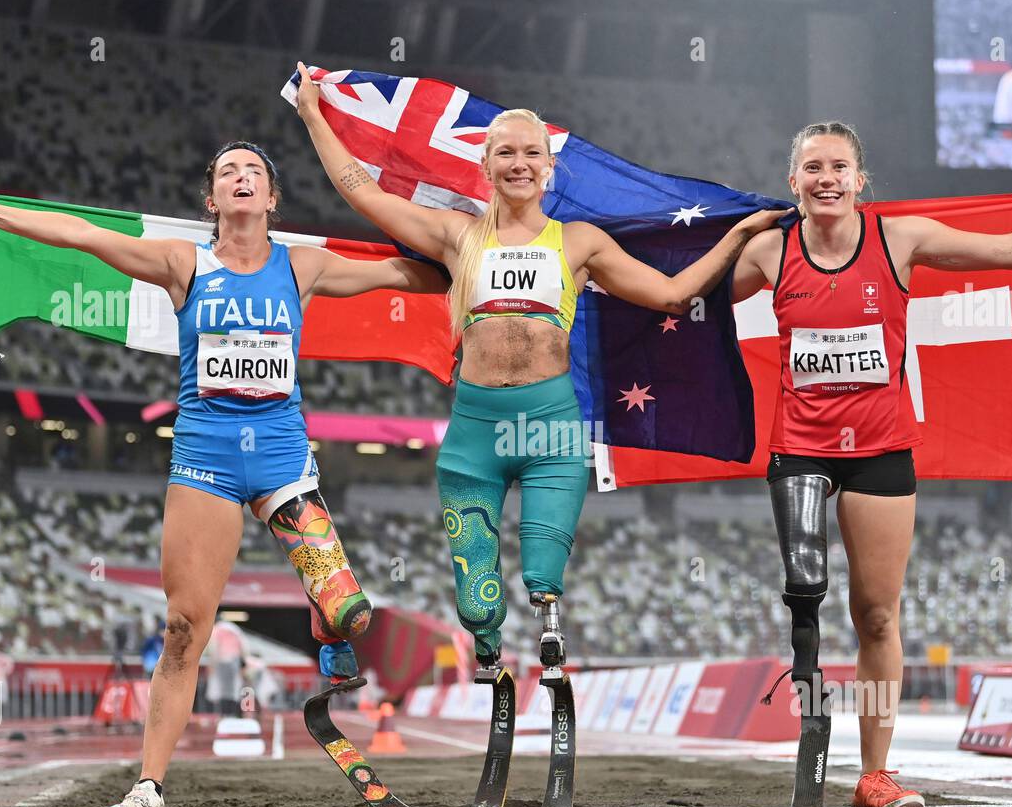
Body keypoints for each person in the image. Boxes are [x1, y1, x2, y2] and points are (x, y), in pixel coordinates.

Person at [0, 141, 450, 807]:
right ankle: (149, 789)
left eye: (255, 173)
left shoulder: (303, 266)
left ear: (272, 200)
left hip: (280, 457)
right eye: (228, 173)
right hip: (206, 458)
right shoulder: (184, 263)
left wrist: (473, 252)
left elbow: (404, 275)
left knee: (350, 609)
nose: (242, 179)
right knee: (184, 630)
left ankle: (326, 622)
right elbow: (85, 236)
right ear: (211, 200)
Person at [294, 62, 786, 678]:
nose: (520, 162)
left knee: (544, 570)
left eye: (532, 152)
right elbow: (362, 192)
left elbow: (670, 294)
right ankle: (490, 641)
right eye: (506, 152)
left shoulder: (580, 242)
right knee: (477, 598)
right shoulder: (456, 235)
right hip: (475, 428)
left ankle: (550, 621)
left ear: (550, 167)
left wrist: (738, 233)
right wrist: (314, 113)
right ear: (486, 164)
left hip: (550, 427)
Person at [729, 120, 1012, 807]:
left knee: (875, 614)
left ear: (861, 180)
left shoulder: (901, 239)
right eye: (812, 168)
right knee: (804, 597)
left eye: (839, 167)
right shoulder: (770, 250)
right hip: (800, 448)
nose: (826, 178)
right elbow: (688, 294)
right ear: (792, 182)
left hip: (880, 451)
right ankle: (813, 718)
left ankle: (874, 776)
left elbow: (1011, 252)